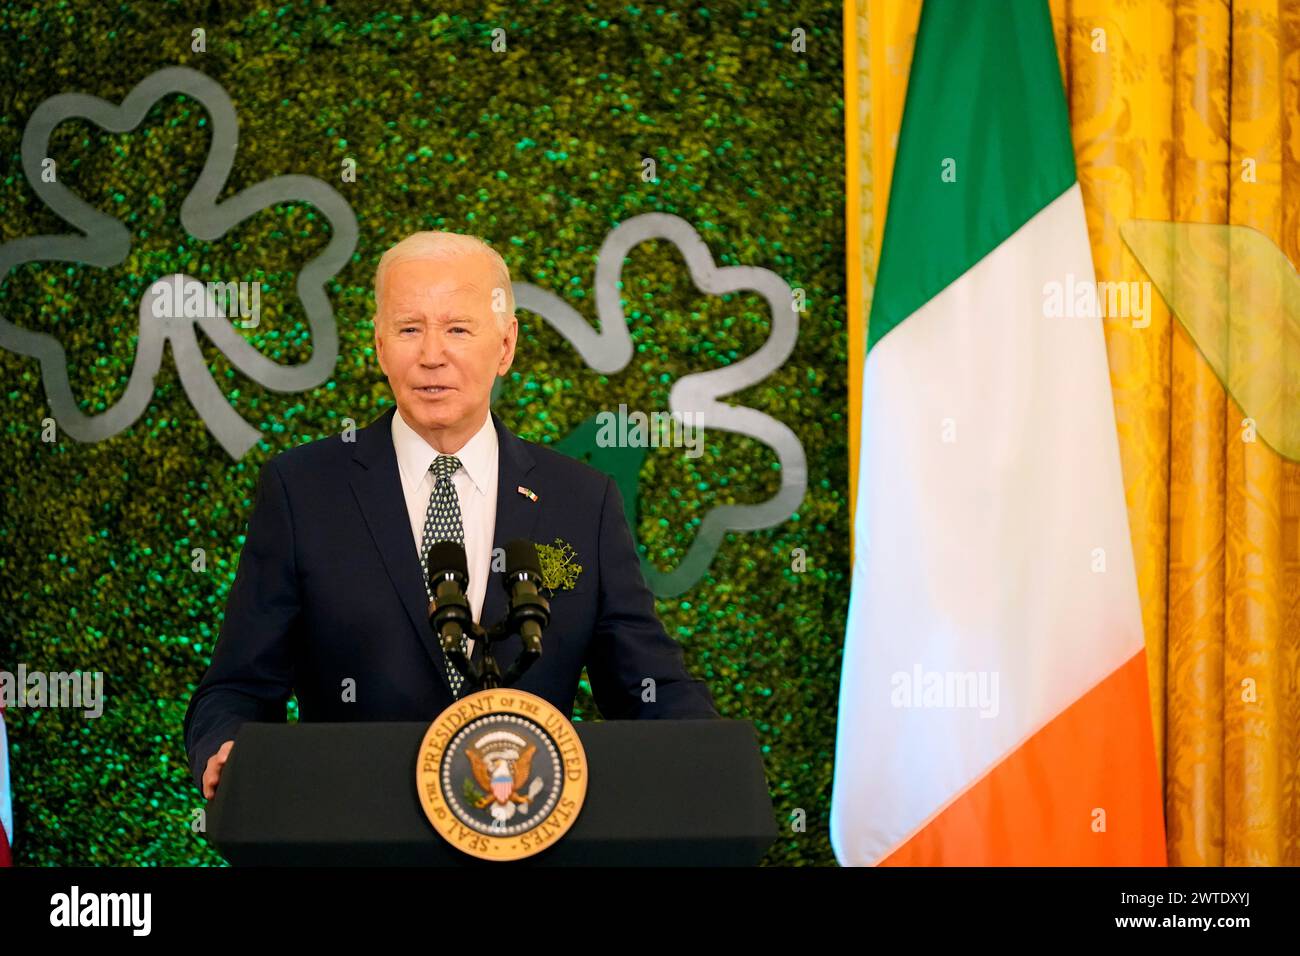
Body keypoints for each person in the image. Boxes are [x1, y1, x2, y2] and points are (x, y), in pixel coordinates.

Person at [183, 232, 718, 799]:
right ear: (379, 345)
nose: (431, 354)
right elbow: (238, 686)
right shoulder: (303, 491)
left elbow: (648, 687)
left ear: (506, 345)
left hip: (527, 838)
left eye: (458, 329)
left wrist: (711, 756)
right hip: (353, 831)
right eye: (409, 328)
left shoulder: (582, 502)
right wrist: (226, 744)